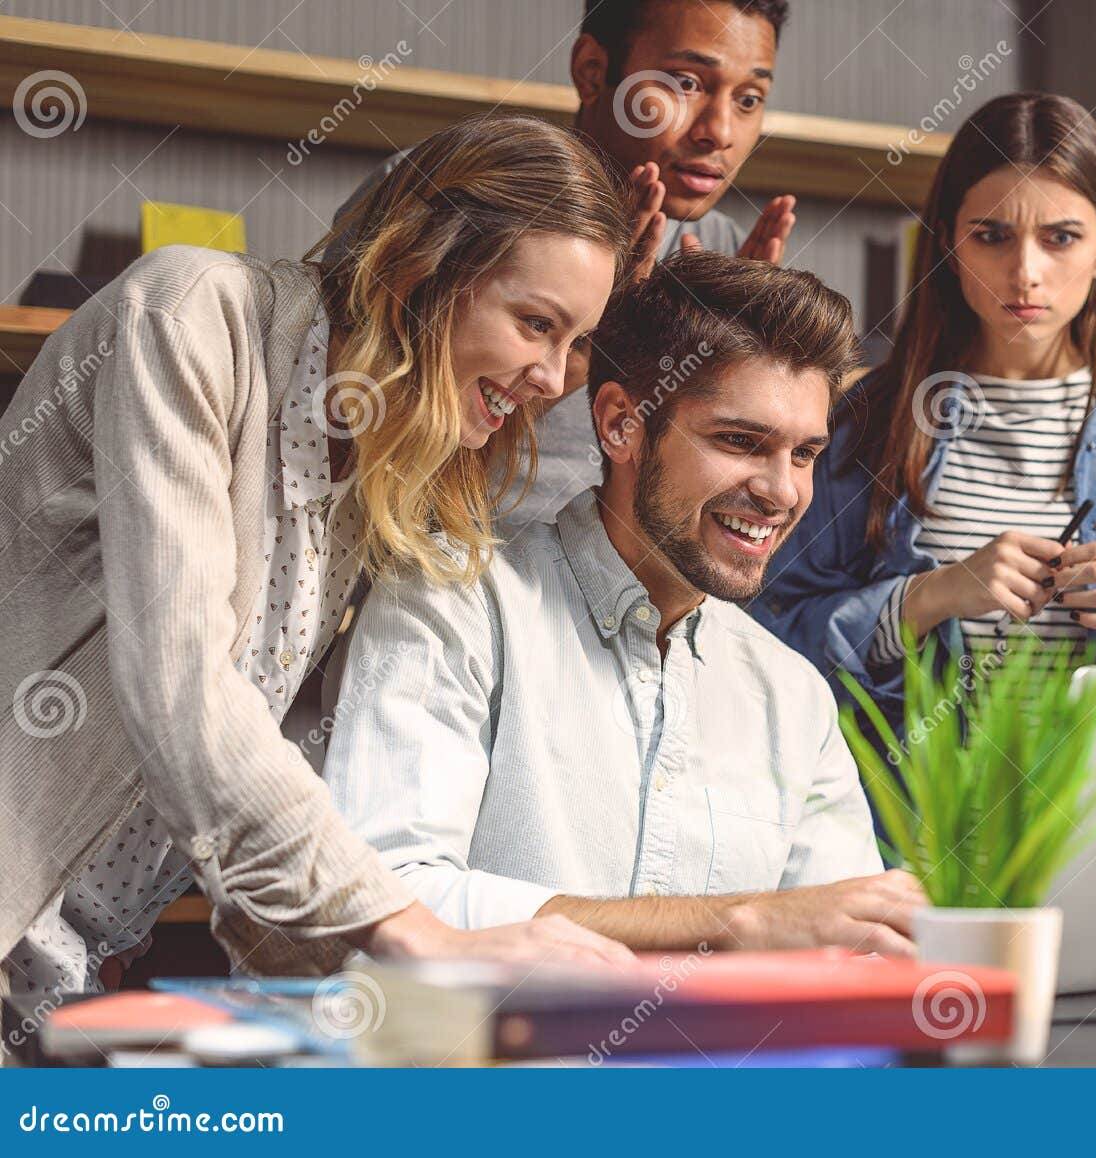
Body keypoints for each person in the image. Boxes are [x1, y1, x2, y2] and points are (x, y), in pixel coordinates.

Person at [0, 113, 641, 1010]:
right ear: (421, 268)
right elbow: (183, 691)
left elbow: (280, 766)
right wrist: (424, 936)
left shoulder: (381, 458)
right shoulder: (191, 315)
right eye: (537, 323)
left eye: (576, 344)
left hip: (63, 980)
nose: (554, 377)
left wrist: (389, 993)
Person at [322, 252, 926, 957]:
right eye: (740, 441)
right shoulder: (454, 602)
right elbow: (388, 895)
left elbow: (841, 953)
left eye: (804, 454)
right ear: (620, 424)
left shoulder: (792, 697)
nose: (782, 492)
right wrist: (739, 922)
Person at [753, 93, 1096, 728]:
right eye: (991, 236)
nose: (1026, 273)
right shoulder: (868, 417)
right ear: (948, 242)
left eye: (1061, 238)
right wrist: (926, 598)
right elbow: (770, 634)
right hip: (907, 814)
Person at [328, 0, 797, 530]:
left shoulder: (720, 252)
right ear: (593, 70)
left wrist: (745, 371)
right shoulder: (460, 190)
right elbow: (345, 436)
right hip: (434, 566)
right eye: (686, 83)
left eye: (749, 98)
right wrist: (588, 351)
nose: (720, 131)